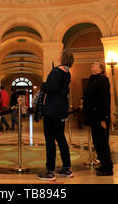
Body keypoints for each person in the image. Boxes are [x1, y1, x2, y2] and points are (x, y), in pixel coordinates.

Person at [37, 50, 74, 181]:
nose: (58, 55)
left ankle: (50, 171)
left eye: (60, 54)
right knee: (61, 138)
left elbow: (50, 88)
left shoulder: (57, 72)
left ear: (62, 58)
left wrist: (43, 85)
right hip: (61, 110)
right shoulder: (67, 73)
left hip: (52, 110)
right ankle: (66, 168)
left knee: (50, 140)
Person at [83, 61, 113, 176]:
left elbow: (104, 99)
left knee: (102, 143)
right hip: (93, 117)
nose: (92, 67)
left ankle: (108, 168)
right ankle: (103, 165)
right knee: (97, 142)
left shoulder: (103, 79)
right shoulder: (93, 79)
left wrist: (103, 118)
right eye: (92, 65)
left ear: (101, 68)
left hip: (100, 117)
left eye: (95, 65)